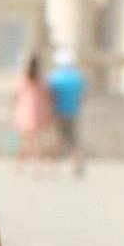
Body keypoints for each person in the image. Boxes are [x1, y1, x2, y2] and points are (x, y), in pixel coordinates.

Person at [46, 45, 87, 177]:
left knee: (56, 139)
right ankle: (78, 164)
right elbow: (82, 95)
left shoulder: (54, 76)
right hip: (72, 111)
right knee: (73, 140)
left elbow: (50, 95)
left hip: (57, 111)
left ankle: (52, 166)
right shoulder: (77, 77)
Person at [13, 53, 51, 172]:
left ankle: (19, 164)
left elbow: (16, 95)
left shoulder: (23, 79)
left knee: (24, 139)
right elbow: (47, 96)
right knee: (36, 140)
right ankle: (37, 165)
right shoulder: (40, 80)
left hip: (24, 110)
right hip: (37, 110)